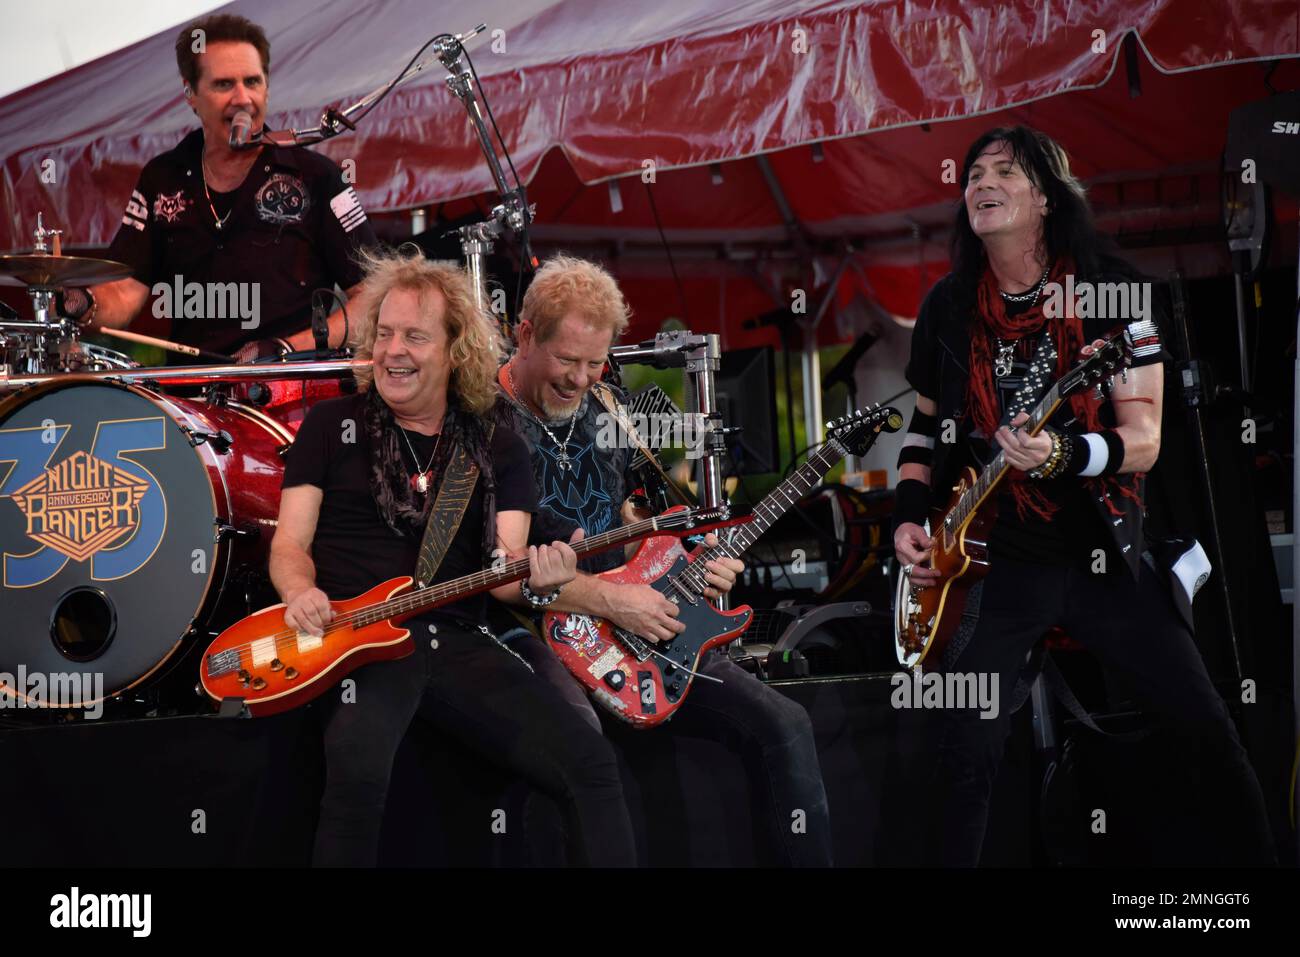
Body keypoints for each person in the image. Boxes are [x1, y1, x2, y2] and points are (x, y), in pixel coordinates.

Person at [892, 125, 1274, 866]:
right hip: (995, 561)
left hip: (1102, 554)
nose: (980, 183)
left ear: (1044, 196)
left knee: (1203, 723)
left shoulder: (1111, 289)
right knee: (960, 746)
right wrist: (910, 519)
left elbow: (1146, 438)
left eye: (1004, 170)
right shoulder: (949, 306)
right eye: (972, 173)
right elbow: (925, 424)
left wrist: (1063, 452)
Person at [273, 247, 637, 866]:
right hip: (361, 642)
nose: (393, 351)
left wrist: (542, 580)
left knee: (592, 766)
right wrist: (299, 592)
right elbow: (289, 544)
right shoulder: (329, 427)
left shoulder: (495, 441)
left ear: (454, 348)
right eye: (384, 333)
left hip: (456, 639)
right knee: (356, 782)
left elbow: (506, 574)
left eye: (414, 336)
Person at [496, 255, 834, 867]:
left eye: (595, 361)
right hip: (535, 628)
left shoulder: (609, 405)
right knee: (571, 755)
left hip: (640, 625)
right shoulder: (484, 422)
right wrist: (610, 600)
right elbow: (496, 569)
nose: (580, 379)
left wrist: (697, 568)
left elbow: (635, 524)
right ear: (524, 335)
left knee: (785, 724)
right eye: (566, 360)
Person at [58, 13, 376, 362]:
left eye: (252, 82)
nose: (242, 98)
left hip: (285, 397)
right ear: (190, 94)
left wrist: (288, 349)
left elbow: (372, 298)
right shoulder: (163, 177)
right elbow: (126, 291)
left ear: (267, 88)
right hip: (190, 401)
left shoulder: (316, 176)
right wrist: (84, 304)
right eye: (224, 84)